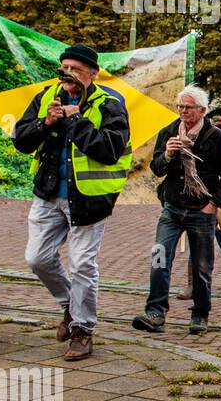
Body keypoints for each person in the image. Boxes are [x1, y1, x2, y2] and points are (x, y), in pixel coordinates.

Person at [12, 43, 131, 361]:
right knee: (37, 258)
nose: (68, 73)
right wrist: (46, 124)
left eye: (76, 69)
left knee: (82, 265)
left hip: (90, 199)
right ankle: (69, 304)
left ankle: (82, 331)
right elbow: (21, 140)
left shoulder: (111, 103)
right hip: (49, 193)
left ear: (92, 74)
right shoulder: (44, 98)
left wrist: (75, 121)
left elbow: (109, 149)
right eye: (65, 67)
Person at [133, 85, 221, 335]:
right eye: (180, 106)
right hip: (171, 209)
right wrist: (168, 155)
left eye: (188, 107)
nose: (182, 111)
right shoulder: (169, 132)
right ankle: (155, 312)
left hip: (200, 212)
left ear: (202, 111)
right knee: (159, 258)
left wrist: (212, 205)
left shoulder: (215, 137)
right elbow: (157, 169)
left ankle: (200, 313)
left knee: (202, 266)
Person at [176, 119, 221, 299]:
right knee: (198, 243)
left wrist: (214, 199)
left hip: (220, 203)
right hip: (201, 202)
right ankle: (192, 285)